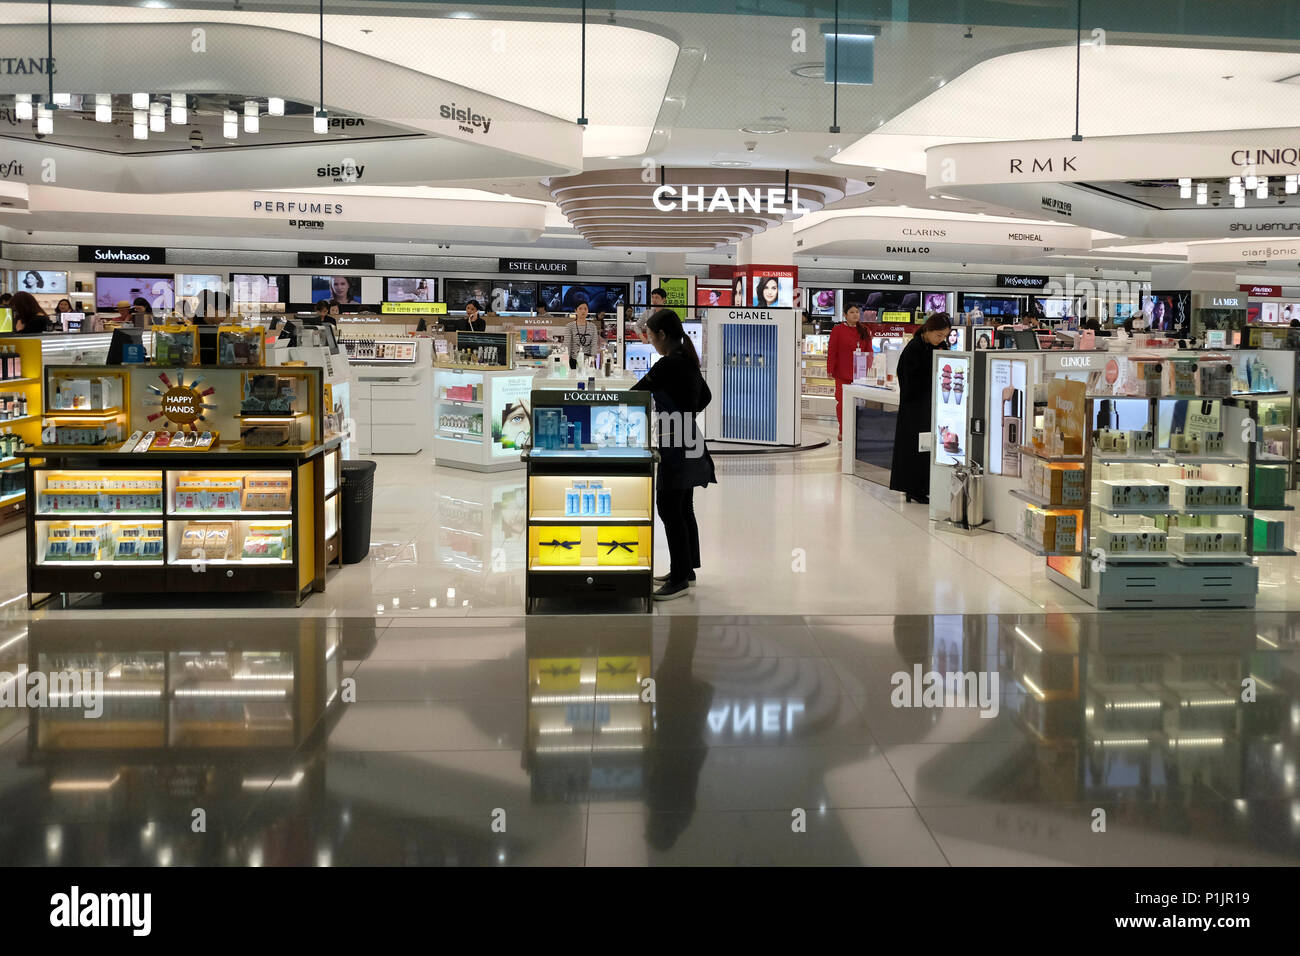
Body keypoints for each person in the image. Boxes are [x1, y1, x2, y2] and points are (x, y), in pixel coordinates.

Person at [633, 309, 716, 600]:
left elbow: (635, 393)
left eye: (651, 337)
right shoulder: (687, 360)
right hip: (689, 438)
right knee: (682, 507)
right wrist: (687, 413)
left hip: (675, 442)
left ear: (662, 335)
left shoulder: (668, 365)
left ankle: (680, 577)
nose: (651, 342)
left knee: (669, 507)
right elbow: (705, 397)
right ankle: (685, 569)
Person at [889, 313, 952, 504]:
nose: (942, 339)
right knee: (914, 448)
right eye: (939, 335)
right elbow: (908, 378)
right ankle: (913, 488)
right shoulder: (914, 348)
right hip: (914, 408)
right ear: (928, 330)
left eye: (945, 336)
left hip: (931, 406)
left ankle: (925, 486)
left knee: (928, 448)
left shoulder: (941, 346)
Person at [826, 303, 872, 441]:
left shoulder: (865, 330)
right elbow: (832, 350)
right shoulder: (837, 330)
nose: (855, 314)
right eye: (852, 312)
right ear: (845, 315)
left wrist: (868, 368)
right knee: (842, 402)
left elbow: (869, 351)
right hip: (842, 373)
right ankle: (843, 430)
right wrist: (830, 369)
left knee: (859, 404)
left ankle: (857, 429)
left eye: (857, 312)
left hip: (860, 374)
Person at [561, 301, 603, 369]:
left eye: (585, 309)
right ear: (576, 310)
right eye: (580, 309)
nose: (583, 311)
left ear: (588, 311)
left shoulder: (592, 326)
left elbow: (594, 344)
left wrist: (592, 359)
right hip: (573, 360)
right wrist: (565, 360)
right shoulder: (570, 326)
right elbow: (567, 343)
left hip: (588, 361)